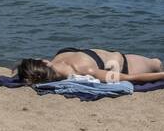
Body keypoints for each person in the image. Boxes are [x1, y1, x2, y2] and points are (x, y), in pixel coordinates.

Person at [16, 49, 164, 86]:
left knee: (155, 63)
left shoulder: (79, 67)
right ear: (45, 63)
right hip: (123, 64)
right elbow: (131, 78)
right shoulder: (85, 71)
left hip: (101, 57)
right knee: (155, 64)